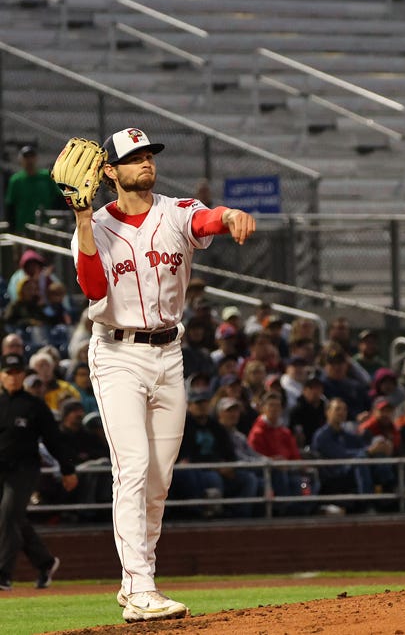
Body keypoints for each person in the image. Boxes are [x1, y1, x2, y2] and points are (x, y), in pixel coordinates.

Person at [68, 126, 255, 622]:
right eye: (134, 157)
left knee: (158, 477)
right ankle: (140, 585)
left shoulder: (174, 211)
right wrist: (84, 219)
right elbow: (91, 288)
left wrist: (231, 213)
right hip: (116, 354)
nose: (145, 162)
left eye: (149, 154)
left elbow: (207, 220)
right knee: (131, 466)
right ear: (109, 171)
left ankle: (137, 582)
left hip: (169, 355)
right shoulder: (96, 226)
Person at [0, 353, 78, 591]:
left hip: (24, 470)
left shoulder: (34, 405)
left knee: (8, 516)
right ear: (1, 376)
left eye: (17, 373)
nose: (13, 378)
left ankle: (3, 574)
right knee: (13, 519)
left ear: (23, 375)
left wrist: (67, 469)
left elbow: (54, 440)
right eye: (8, 373)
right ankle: (45, 562)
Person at [4, 145, 66, 234]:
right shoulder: (16, 180)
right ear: (21, 160)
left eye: (32, 156)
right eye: (26, 157)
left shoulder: (46, 177)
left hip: (45, 227)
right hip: (23, 227)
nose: (29, 160)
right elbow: (10, 206)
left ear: (36, 158)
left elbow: (59, 198)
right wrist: (12, 230)